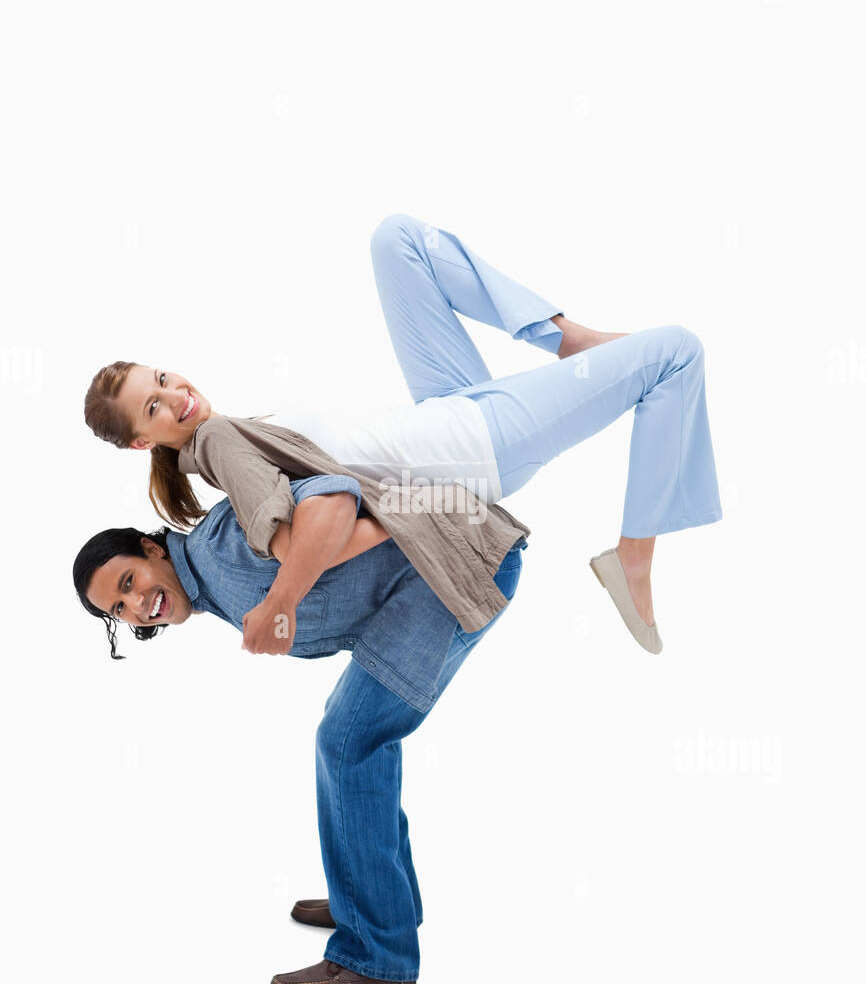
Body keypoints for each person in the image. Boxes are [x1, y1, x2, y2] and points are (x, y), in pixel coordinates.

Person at [83, 214, 723, 654]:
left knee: (397, 240)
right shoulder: (218, 442)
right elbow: (300, 542)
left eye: (162, 379)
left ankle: (566, 339)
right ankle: (634, 557)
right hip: (472, 446)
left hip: (444, 411)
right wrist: (289, 599)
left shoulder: (222, 440)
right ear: (145, 442)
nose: (175, 395)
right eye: (154, 408)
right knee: (676, 353)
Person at [73, 468, 527, 984]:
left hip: (454, 566)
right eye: (119, 609)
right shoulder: (210, 583)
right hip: (428, 578)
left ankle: (379, 955)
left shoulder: (221, 548)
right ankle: (370, 892)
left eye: (129, 583)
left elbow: (328, 493)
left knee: (349, 743)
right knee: (347, 733)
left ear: (152, 549)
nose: (136, 606)